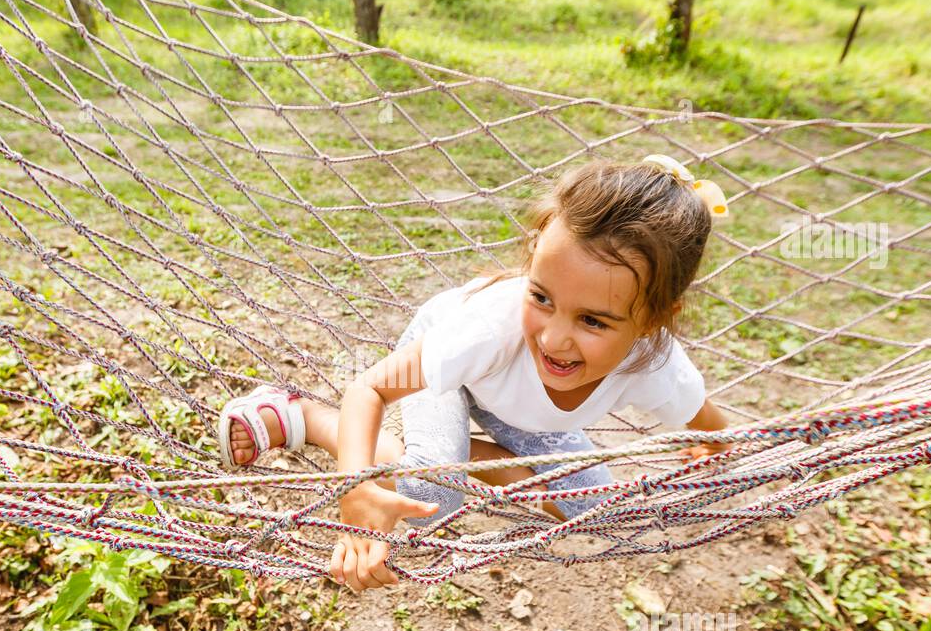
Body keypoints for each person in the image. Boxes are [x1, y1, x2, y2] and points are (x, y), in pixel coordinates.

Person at [217, 155, 732, 592]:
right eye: (541, 296)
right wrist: (355, 489)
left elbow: (706, 421)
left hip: (521, 406)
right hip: (456, 368)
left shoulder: (656, 364)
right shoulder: (487, 328)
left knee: (593, 506)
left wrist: (716, 450)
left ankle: (479, 465)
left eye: (593, 320)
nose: (553, 338)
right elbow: (369, 388)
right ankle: (305, 417)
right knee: (432, 495)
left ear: (655, 319)